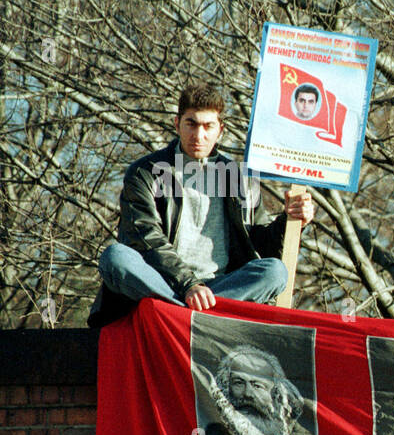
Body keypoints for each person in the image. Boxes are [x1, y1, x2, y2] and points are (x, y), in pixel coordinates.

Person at [89, 83, 315, 327]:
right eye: (191, 124)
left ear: (221, 130)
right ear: (177, 124)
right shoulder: (145, 172)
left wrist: (292, 221)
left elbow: (261, 245)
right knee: (115, 257)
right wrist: (188, 285)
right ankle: (191, 313)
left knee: (275, 271)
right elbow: (144, 237)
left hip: (221, 287)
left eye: (208, 126)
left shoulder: (238, 178)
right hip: (165, 282)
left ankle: (181, 313)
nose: (199, 135)